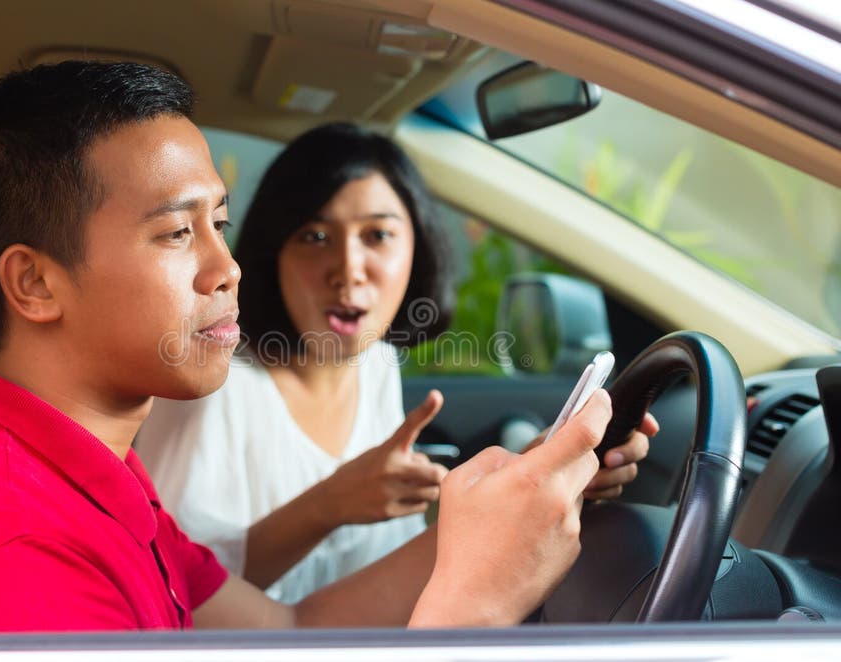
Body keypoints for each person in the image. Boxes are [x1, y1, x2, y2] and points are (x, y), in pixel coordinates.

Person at [0, 60, 615, 633]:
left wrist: (513, 508)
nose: (229, 267)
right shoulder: (9, 557)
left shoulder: (100, 479)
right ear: (36, 286)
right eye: (179, 232)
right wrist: (475, 608)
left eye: (219, 222)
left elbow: (292, 630)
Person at [136, 123, 655, 603]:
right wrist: (329, 504)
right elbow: (173, 593)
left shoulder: (376, 364)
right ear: (274, 254)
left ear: (418, 248)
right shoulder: (212, 386)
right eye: (315, 237)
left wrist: (530, 471)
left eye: (377, 235)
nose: (348, 268)